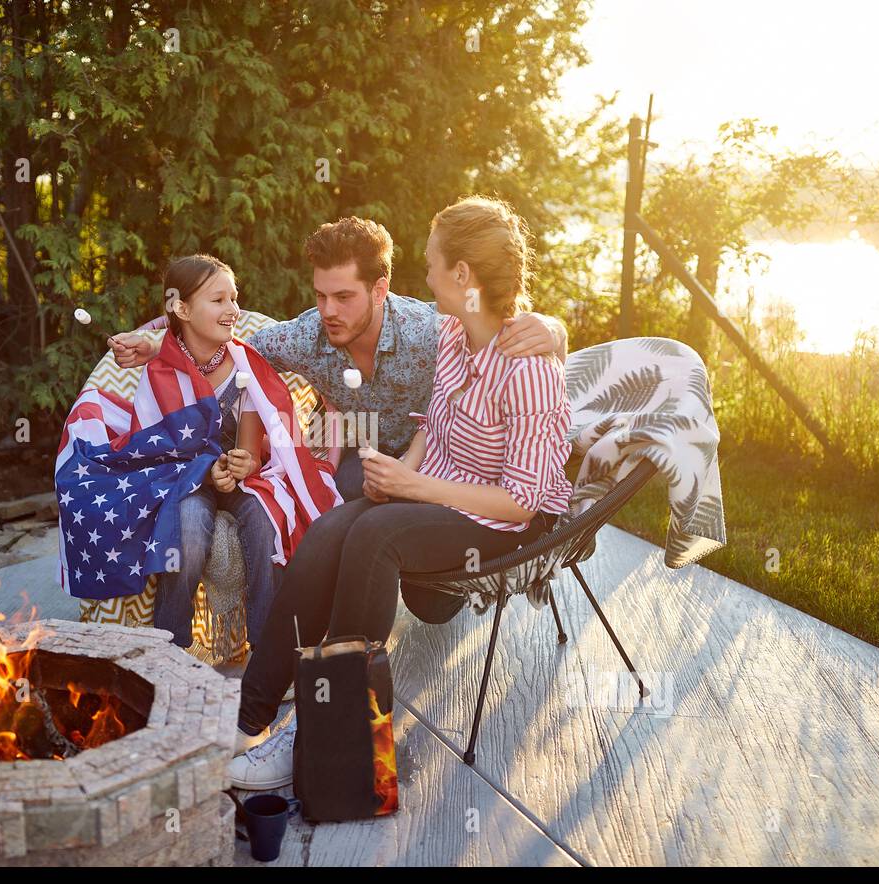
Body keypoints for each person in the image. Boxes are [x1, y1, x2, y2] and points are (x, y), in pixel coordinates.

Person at [227, 197, 575, 790]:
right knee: (334, 526)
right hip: (433, 493)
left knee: (372, 538)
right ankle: (249, 716)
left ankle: (322, 731)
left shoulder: (527, 366)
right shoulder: (456, 339)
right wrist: (396, 473)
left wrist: (412, 486)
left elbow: (525, 501)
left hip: (493, 519)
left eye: (434, 261)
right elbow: (432, 425)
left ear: (461, 274)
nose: (428, 272)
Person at [108, 217, 568, 501]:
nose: (329, 310)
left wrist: (555, 328)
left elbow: (494, 324)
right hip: (358, 455)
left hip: (435, 463)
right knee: (344, 499)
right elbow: (234, 346)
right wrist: (155, 344)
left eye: (344, 296)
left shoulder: (431, 330)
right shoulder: (307, 335)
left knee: (431, 597)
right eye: (321, 295)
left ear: (379, 289)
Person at [137, 254, 286, 651]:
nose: (233, 310)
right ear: (182, 308)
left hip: (240, 480)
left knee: (264, 523)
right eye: (218, 300)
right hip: (186, 480)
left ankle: (269, 652)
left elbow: (252, 450)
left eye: (234, 298)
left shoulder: (245, 365)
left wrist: (243, 462)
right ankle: (169, 646)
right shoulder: (160, 373)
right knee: (185, 525)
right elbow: (156, 456)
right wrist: (206, 474)